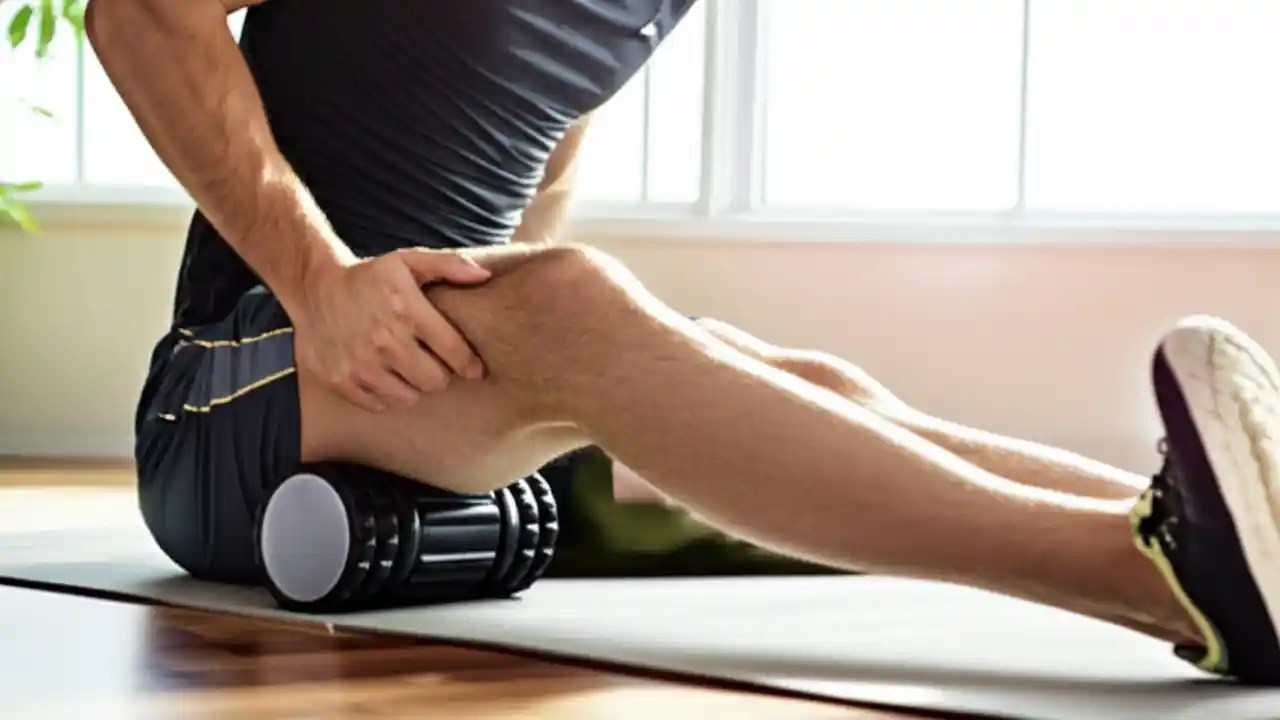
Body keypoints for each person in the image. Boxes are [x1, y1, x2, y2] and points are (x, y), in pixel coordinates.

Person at [87, 0, 1280, 683]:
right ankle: (1150, 575)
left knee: (800, 382)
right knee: (581, 304)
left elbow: (544, 153)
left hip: (414, 386)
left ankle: (1240, 543)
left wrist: (586, 366)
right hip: (232, 393)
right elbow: (141, 13)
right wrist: (322, 284)